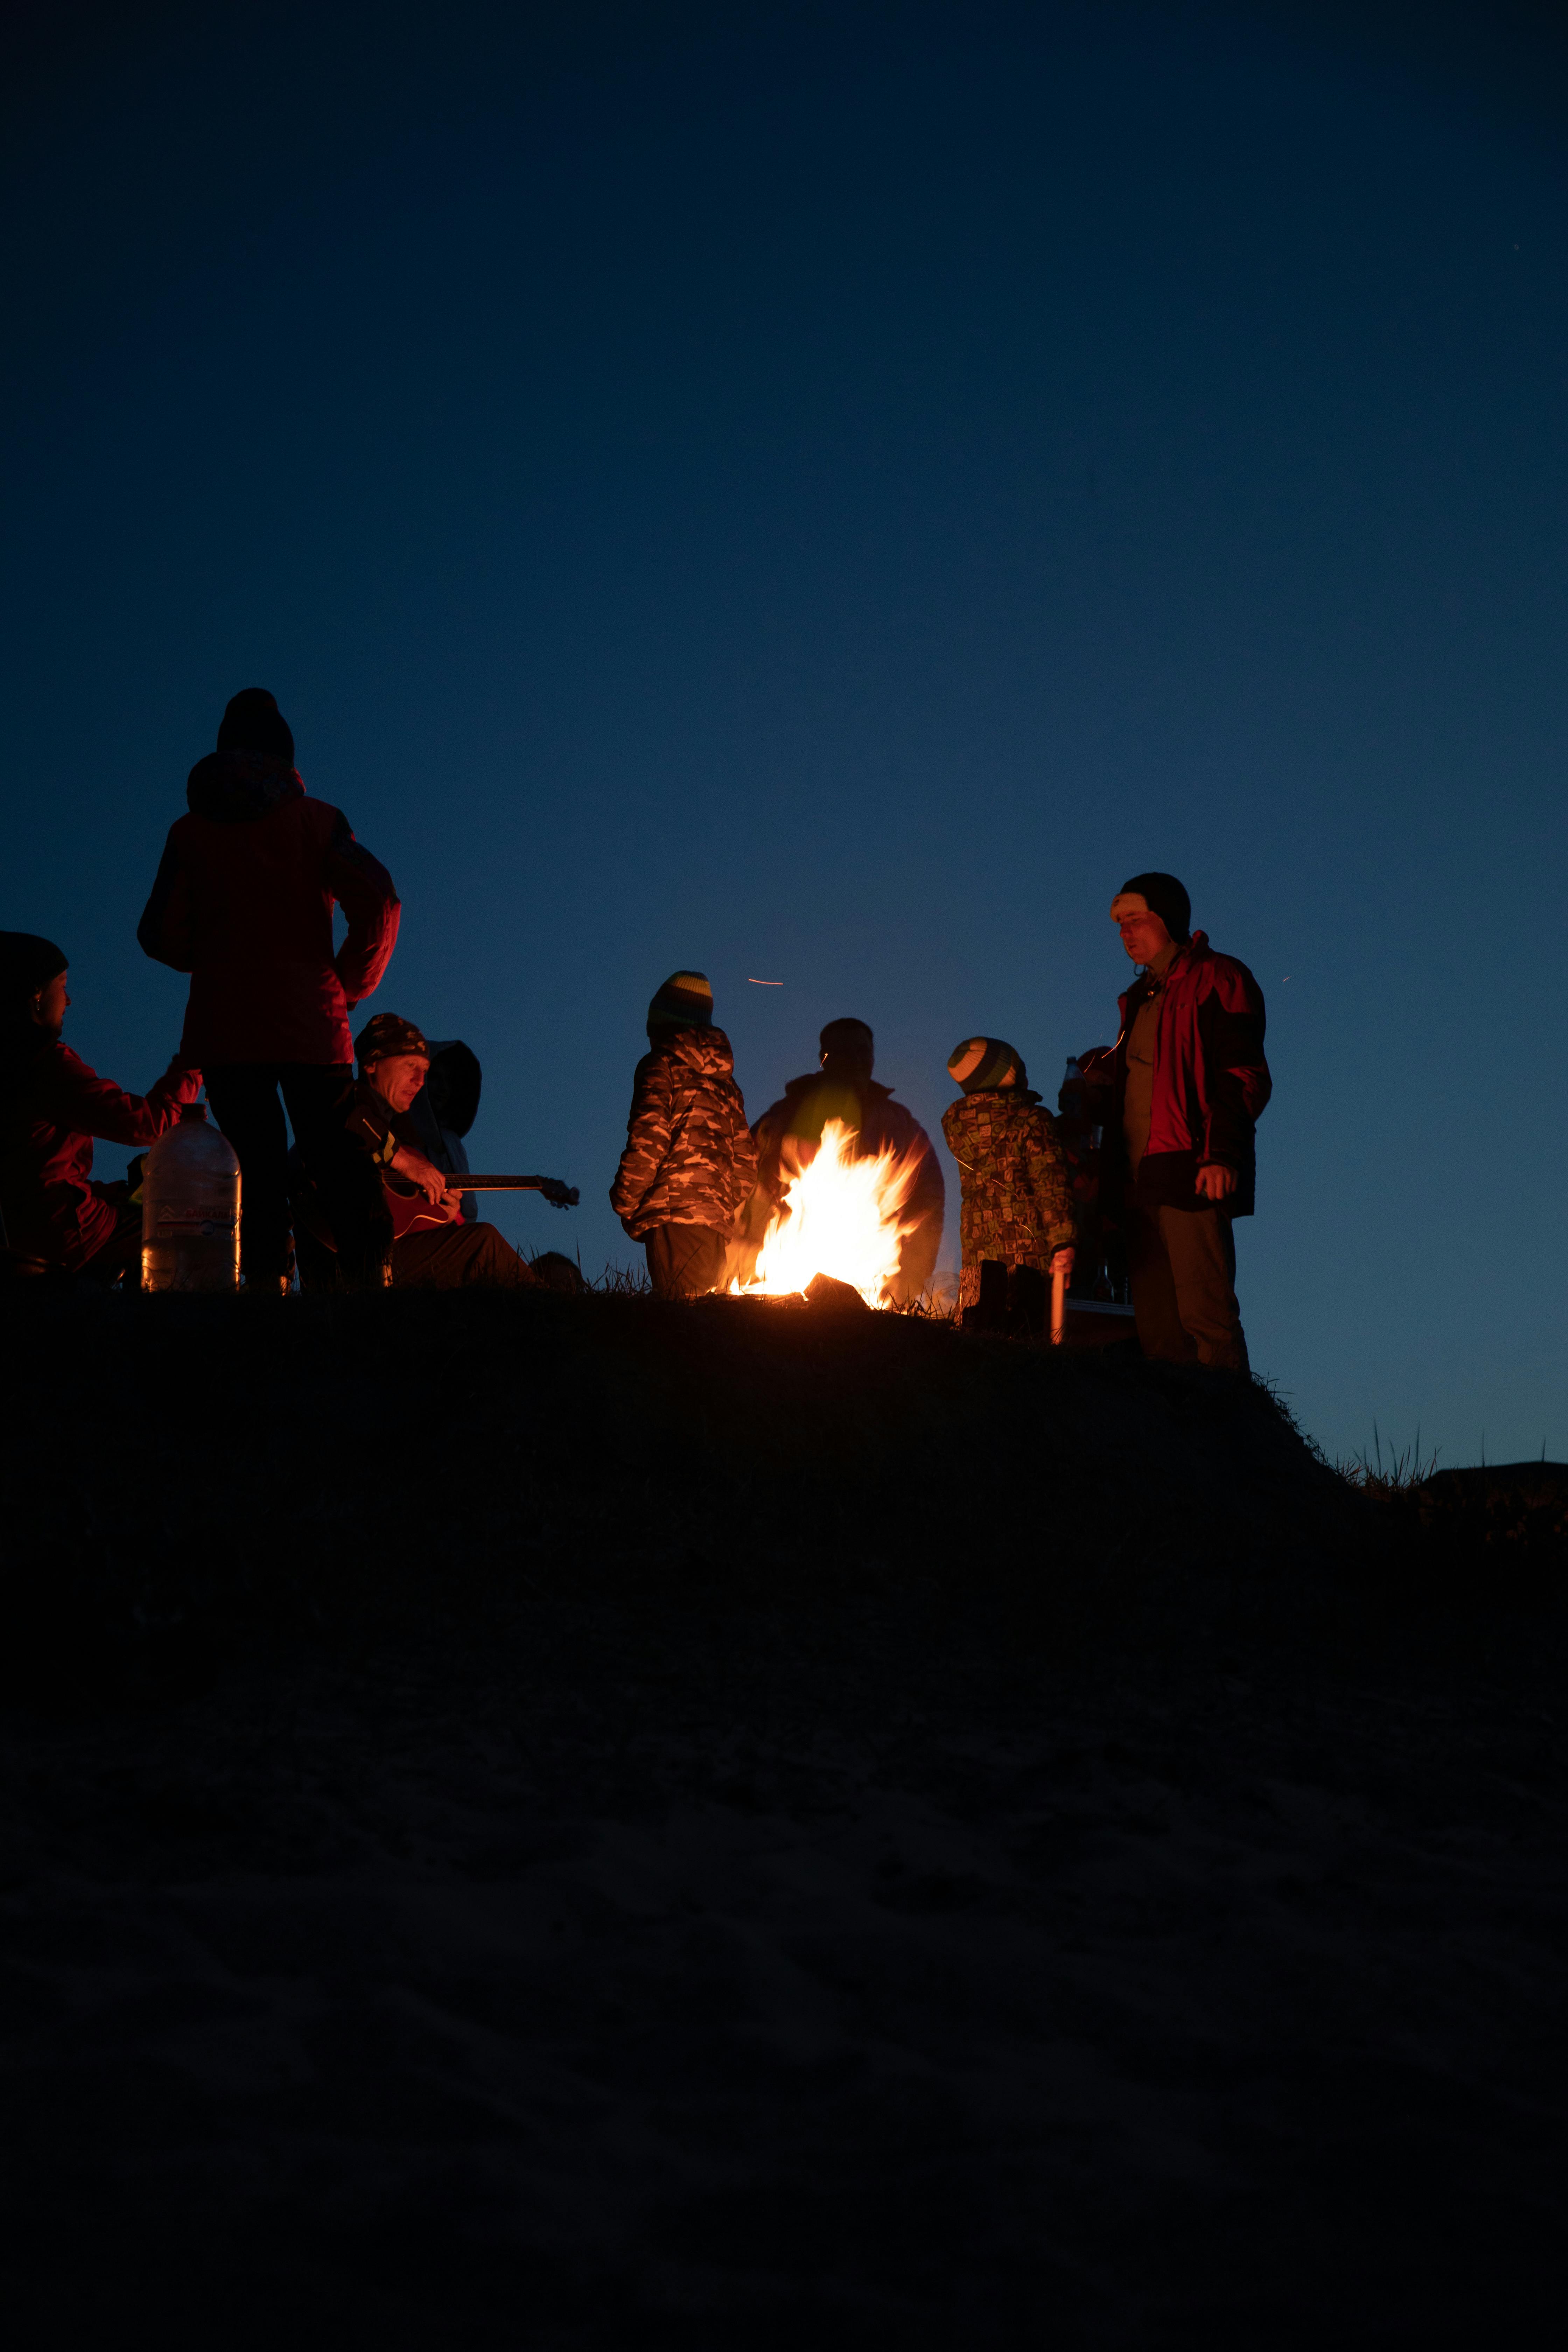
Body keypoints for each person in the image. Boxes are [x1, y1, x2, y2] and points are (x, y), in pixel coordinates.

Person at [137, 687, 400, 1291]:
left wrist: (213, 959)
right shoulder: (318, 822)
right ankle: (368, 1289)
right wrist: (351, 980)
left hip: (224, 1026)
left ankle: (264, 1289)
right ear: (285, 754)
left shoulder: (189, 833)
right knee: (339, 1160)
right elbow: (379, 897)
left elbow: (157, 933)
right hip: (311, 1018)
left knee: (252, 1169)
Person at [1079, 872, 1269, 1373]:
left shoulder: (1218, 977)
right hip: (1140, 1182)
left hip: (1190, 1168)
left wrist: (1221, 1153)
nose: (1126, 933)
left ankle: (1234, 1432)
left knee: (1205, 1315)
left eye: (1136, 921)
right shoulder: (1138, 999)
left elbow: (1243, 1073)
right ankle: (1183, 1440)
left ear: (1168, 920)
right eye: (1120, 925)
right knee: (1159, 1331)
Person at [0, 931, 201, 1281]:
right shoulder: (45, 1066)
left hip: (20, 1226)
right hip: (62, 1232)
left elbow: (36, 1167)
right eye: (61, 986)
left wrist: (107, 1194)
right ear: (35, 994)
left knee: (134, 1199)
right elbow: (149, 1126)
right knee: (200, 1224)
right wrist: (194, 1063)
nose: (70, 1000)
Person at [294, 1013, 538, 1288]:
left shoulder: (399, 1136)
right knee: (484, 1242)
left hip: (382, 1259)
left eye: (425, 1070)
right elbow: (350, 1127)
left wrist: (442, 1217)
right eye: (411, 1065)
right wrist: (407, 1162)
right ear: (372, 1063)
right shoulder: (347, 1106)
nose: (420, 1080)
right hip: (344, 1261)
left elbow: (401, 1216)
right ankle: (555, 1309)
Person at [742, 1017, 945, 1305]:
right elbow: (745, 1180)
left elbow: (929, 1197)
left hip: (877, 1271)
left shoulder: (899, 1125)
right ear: (825, 1058)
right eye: (846, 1051)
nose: (858, 1060)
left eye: (864, 1051)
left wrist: (914, 1271)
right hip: (787, 1264)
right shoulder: (784, 1116)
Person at [610, 971, 756, 1297]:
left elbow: (649, 1140)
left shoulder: (660, 1065)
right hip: (715, 1225)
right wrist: (715, 1203)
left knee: (686, 1319)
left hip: (673, 1216)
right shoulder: (728, 1085)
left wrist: (625, 1200)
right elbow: (746, 1169)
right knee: (709, 1316)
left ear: (661, 1026)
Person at [941, 1036, 1075, 1336]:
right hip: (1031, 1257)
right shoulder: (1032, 1120)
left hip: (979, 1258)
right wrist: (1063, 1243)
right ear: (1009, 1075)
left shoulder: (960, 1131)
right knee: (1030, 1338)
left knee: (986, 1337)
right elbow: (1051, 1185)